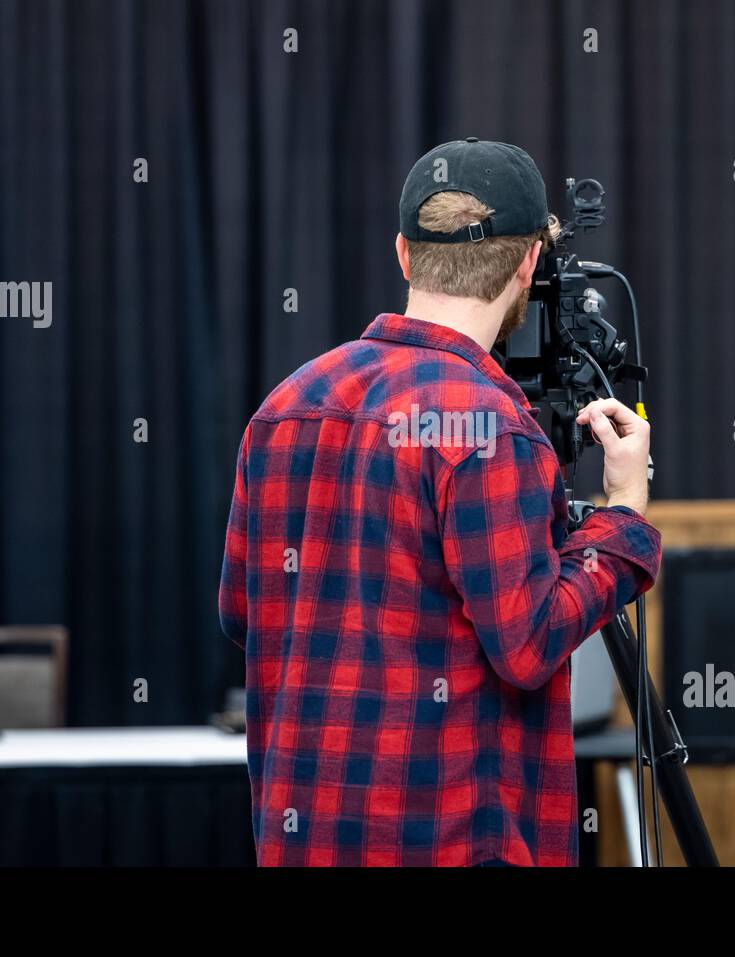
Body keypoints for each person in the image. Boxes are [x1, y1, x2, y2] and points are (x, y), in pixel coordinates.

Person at [219, 138, 661, 866]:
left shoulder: (285, 407)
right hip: (452, 844)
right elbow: (527, 642)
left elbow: (243, 614)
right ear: (527, 265)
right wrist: (622, 518)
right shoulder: (491, 424)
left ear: (403, 254)